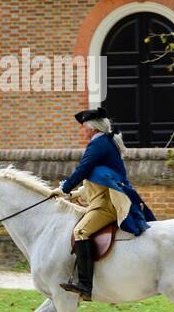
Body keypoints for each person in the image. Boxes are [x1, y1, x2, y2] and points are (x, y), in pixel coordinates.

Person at [58, 106, 155, 300]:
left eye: (85, 127)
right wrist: (72, 193)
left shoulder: (98, 144)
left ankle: (85, 285)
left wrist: (64, 187)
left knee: (80, 231)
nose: (83, 130)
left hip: (105, 204)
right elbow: (98, 180)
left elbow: (83, 170)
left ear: (92, 128)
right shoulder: (105, 143)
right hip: (102, 198)